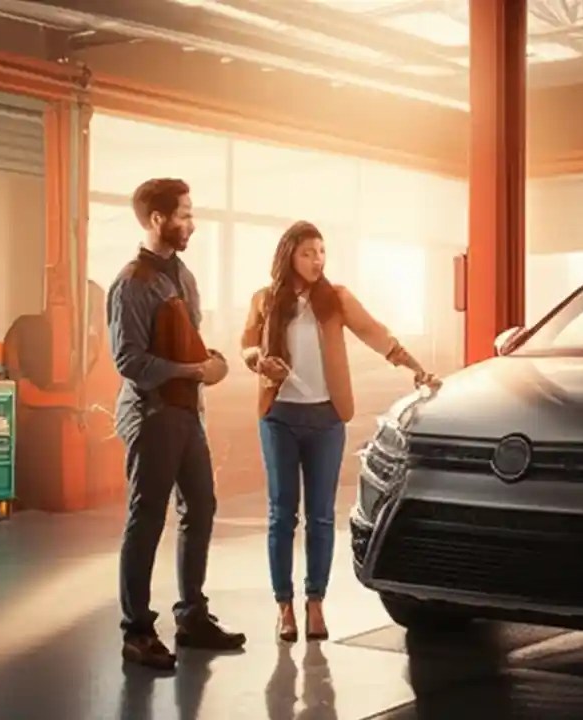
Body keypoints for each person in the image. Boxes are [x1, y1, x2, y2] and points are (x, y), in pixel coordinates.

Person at [240, 220, 440, 643]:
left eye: (322, 252)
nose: (317, 260)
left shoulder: (336, 299)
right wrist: (260, 360)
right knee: (281, 515)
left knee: (320, 516)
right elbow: (247, 345)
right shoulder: (266, 300)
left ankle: (315, 605)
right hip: (279, 416)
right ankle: (284, 608)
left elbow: (375, 333)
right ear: (289, 254)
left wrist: (416, 367)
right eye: (308, 252)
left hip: (326, 419)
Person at [108, 177, 246, 670]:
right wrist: (192, 371)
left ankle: (191, 617)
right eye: (184, 214)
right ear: (157, 219)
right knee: (146, 518)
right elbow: (129, 361)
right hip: (152, 415)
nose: (192, 222)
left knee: (201, 508)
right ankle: (137, 632)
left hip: (188, 413)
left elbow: (190, 343)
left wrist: (214, 362)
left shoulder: (183, 276)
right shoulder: (131, 283)